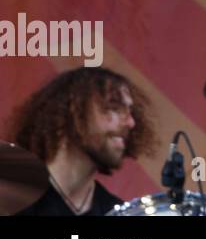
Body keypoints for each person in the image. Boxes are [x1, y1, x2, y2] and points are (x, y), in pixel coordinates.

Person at [8, 66, 157, 216]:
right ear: (72, 113)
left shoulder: (115, 211)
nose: (131, 122)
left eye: (130, 111)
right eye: (114, 107)